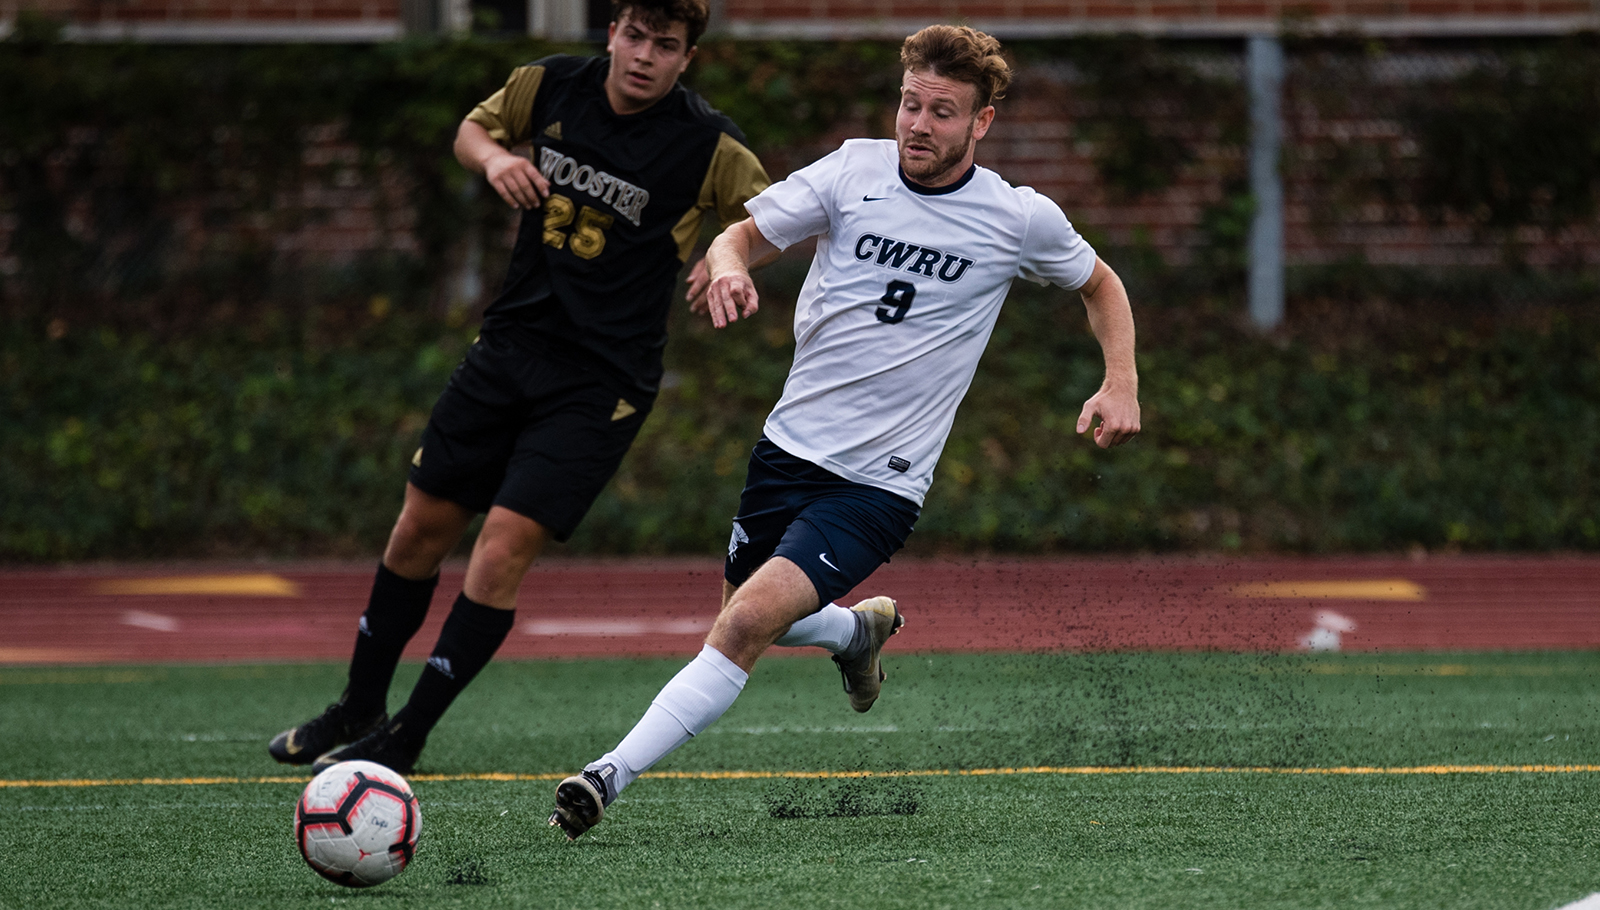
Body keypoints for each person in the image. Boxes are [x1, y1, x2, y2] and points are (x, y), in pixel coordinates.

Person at [547, 23, 1141, 840]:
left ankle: (605, 777)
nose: (918, 125)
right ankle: (857, 631)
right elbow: (742, 235)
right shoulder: (853, 168)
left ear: (981, 124)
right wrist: (726, 268)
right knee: (755, 614)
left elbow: (1101, 284)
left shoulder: (1017, 218)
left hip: (881, 483)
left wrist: (1120, 382)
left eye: (942, 111)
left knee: (744, 624)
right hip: (787, 449)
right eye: (909, 103)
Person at [266, 0, 770, 775]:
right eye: (633, 36)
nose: (643, 56)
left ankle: (407, 736)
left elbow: (775, 217)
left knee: (498, 551)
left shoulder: (708, 143)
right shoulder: (550, 86)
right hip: (506, 350)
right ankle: (358, 703)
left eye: (664, 46)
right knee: (416, 532)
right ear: (611, 33)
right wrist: (495, 160)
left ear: (686, 59)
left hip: (601, 383)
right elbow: (473, 130)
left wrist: (726, 260)